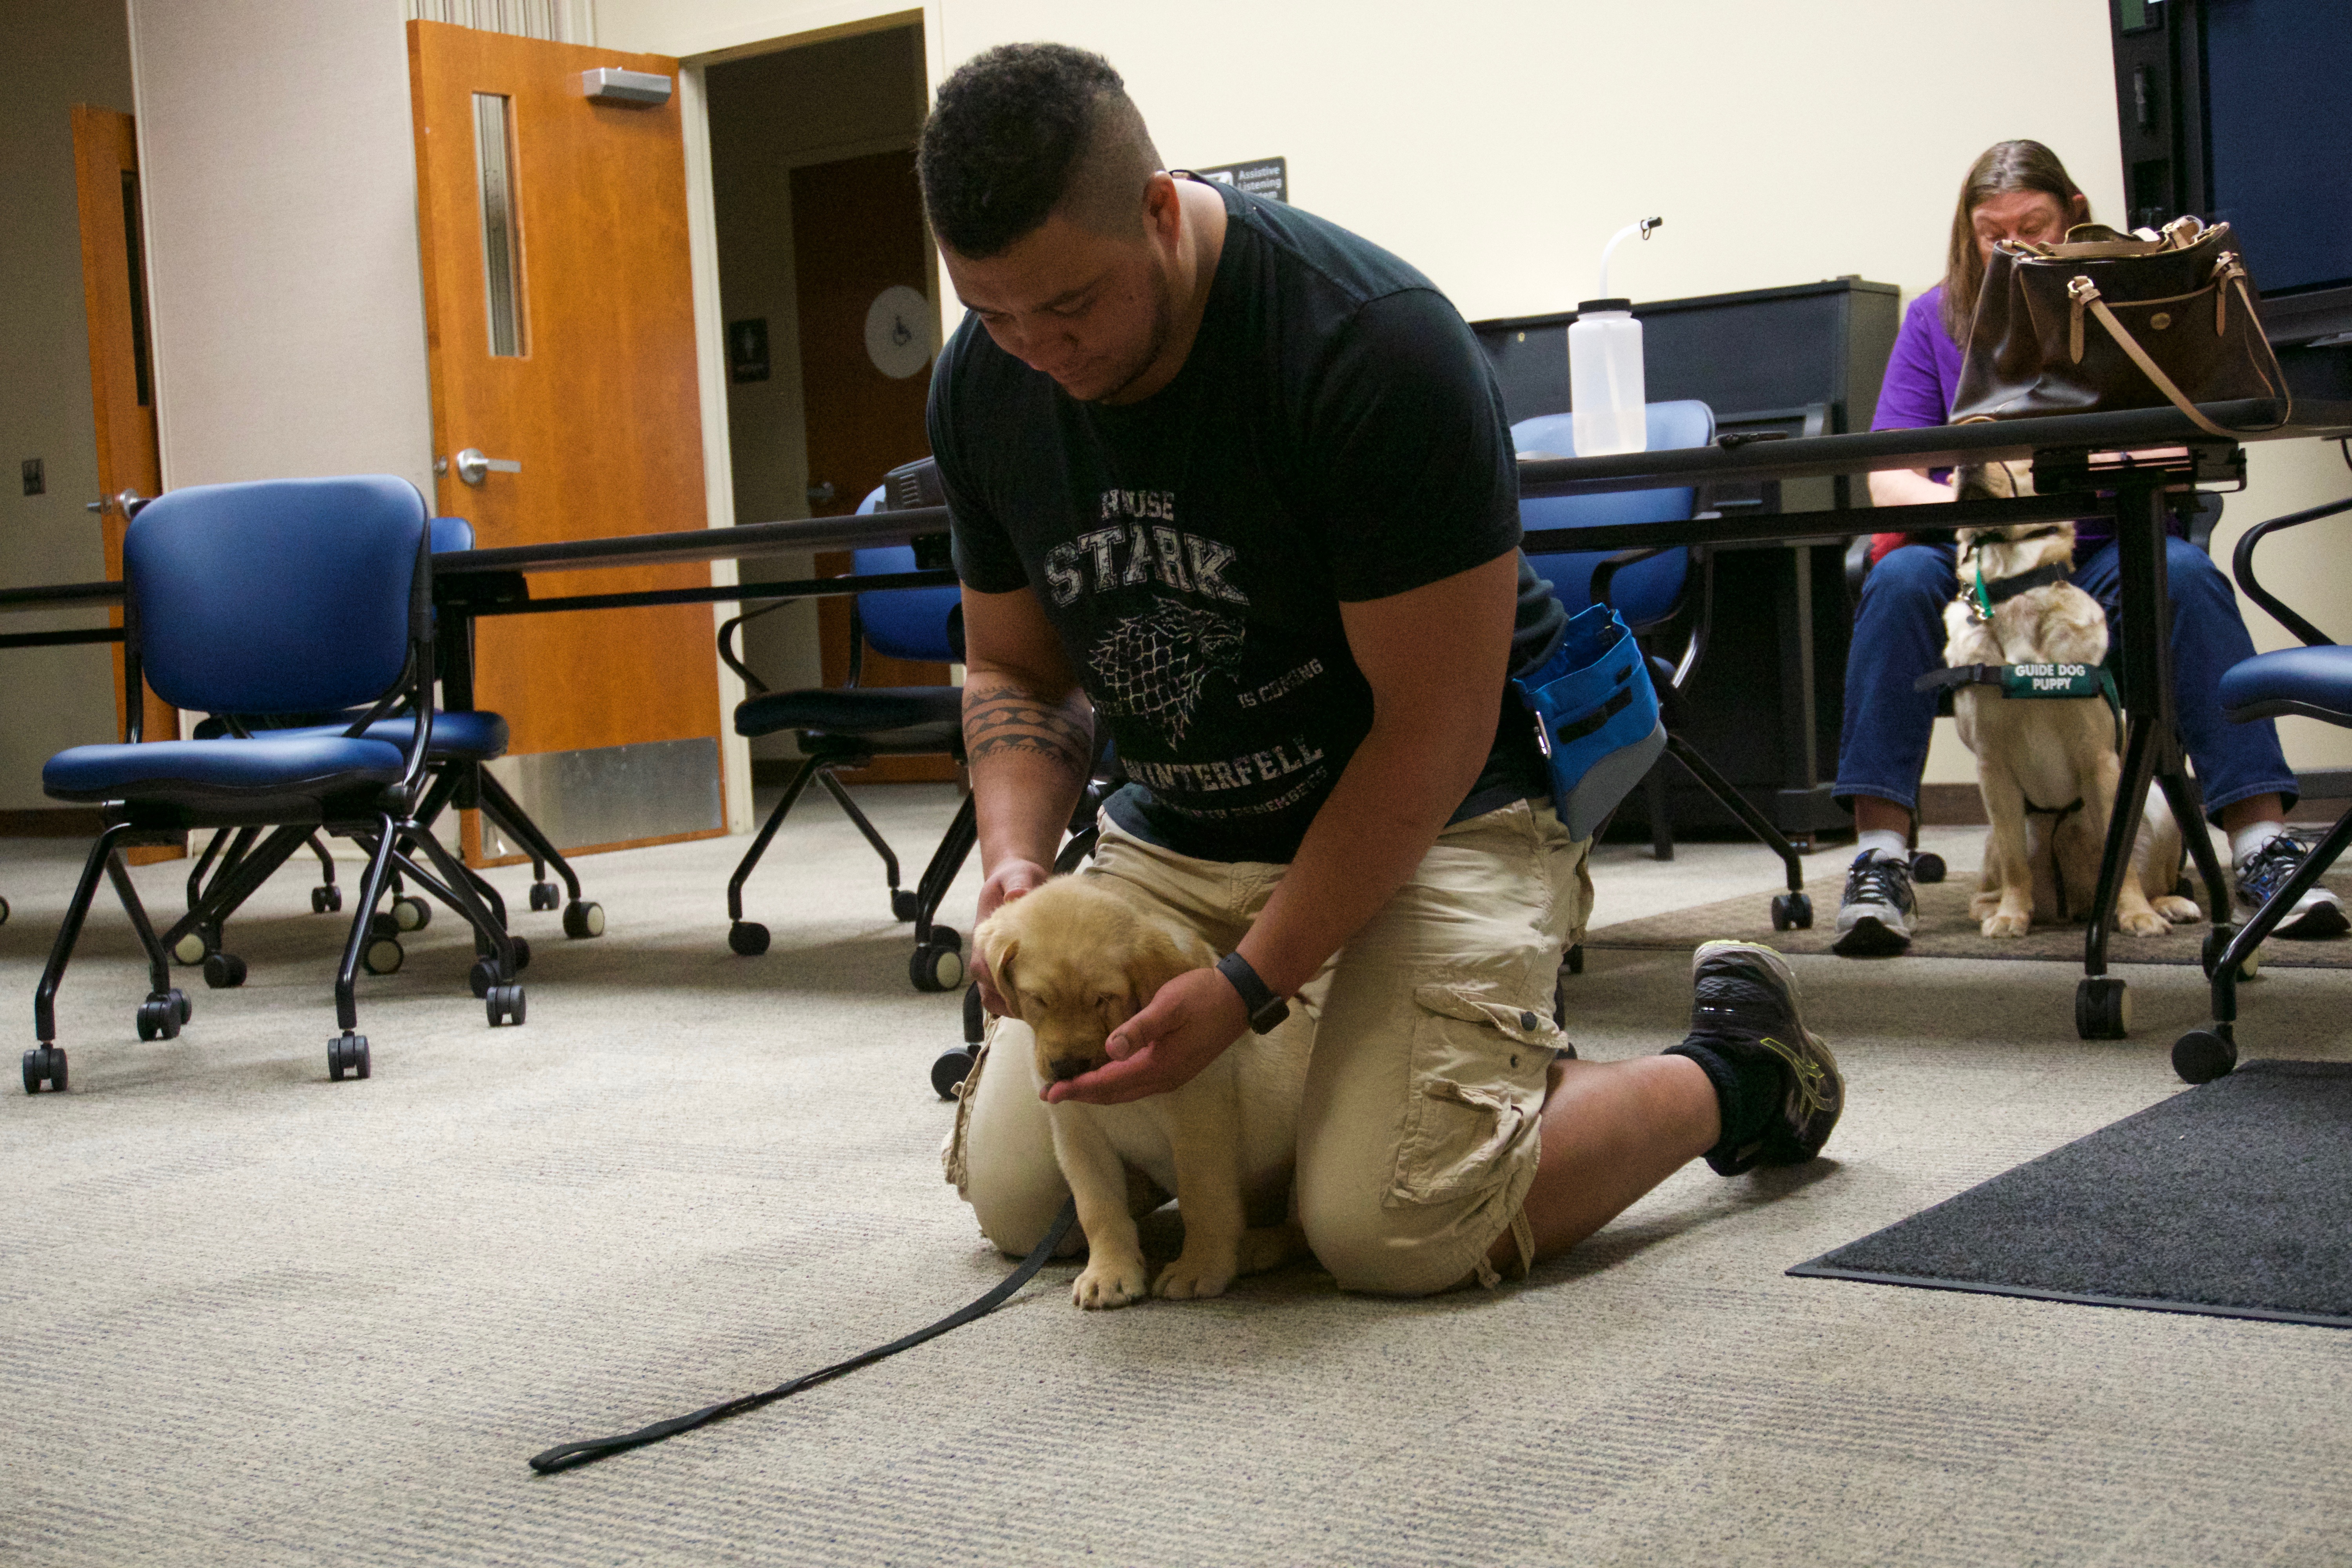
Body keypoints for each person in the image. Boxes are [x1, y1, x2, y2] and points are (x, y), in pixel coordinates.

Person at [921, 43, 1842, 1298]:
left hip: (1446, 811)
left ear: (1156, 209)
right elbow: (1018, 673)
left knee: (1390, 1229)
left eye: (1070, 306)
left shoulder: (1367, 346)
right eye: (995, 313)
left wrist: (1250, 983)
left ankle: (1733, 1070)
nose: (1037, 348)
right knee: (1027, 1199)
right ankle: (1410, 1075)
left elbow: (1432, 730)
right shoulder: (986, 380)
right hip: (1182, 834)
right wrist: (1021, 868)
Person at [1831, 138, 2343, 956]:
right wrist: (1981, 509)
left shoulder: (2121, 305)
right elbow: (1890, 479)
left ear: (2072, 213)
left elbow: (2172, 447)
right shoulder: (1937, 317)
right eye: (1990, 233)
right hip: (1976, 562)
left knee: (2184, 576)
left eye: (2030, 226)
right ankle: (1880, 859)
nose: (2010, 247)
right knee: (1895, 582)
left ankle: (2261, 846)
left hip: (2098, 550)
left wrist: (2085, 472)